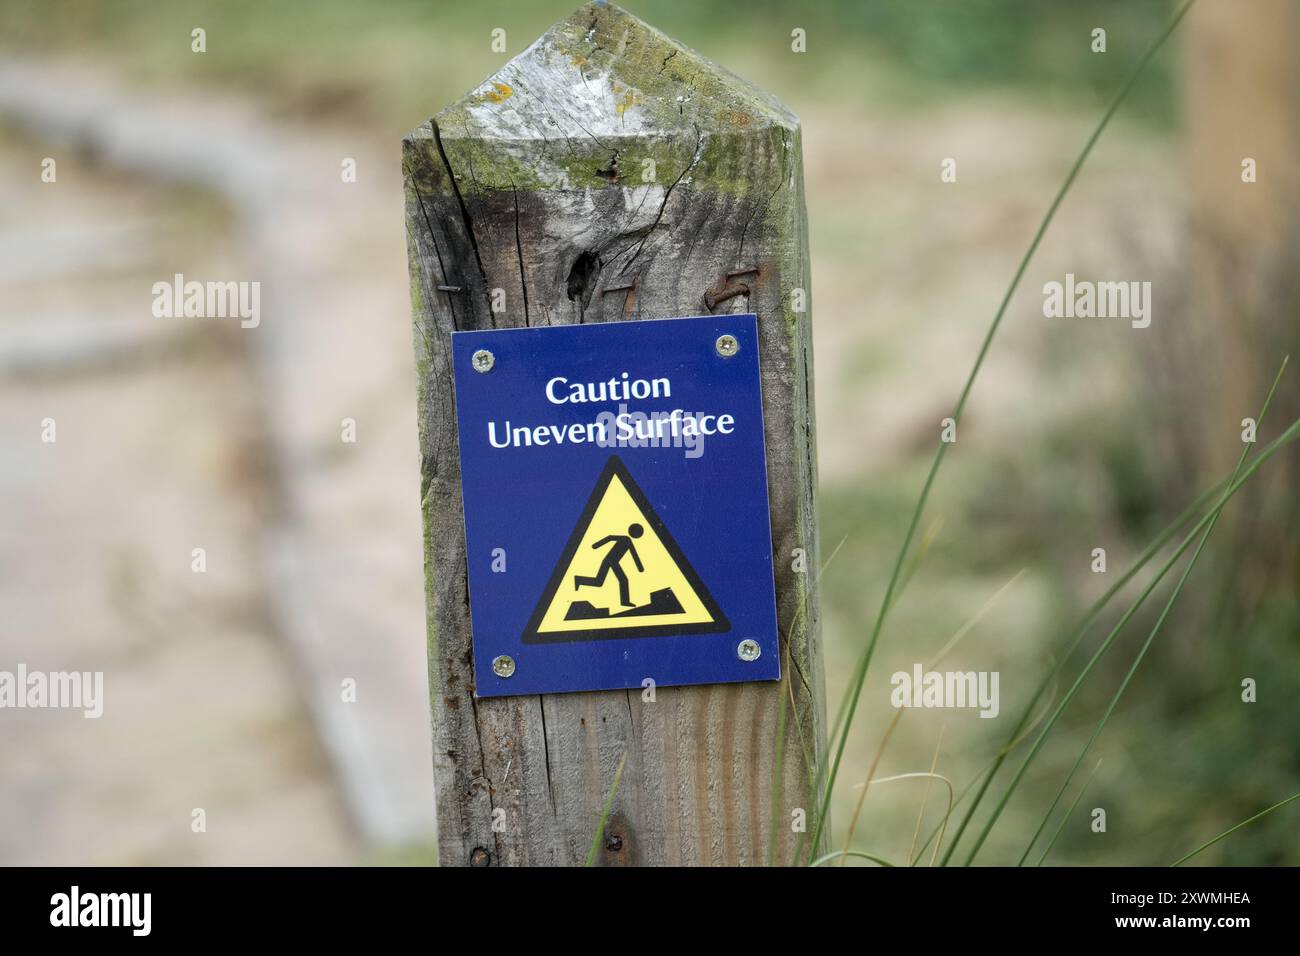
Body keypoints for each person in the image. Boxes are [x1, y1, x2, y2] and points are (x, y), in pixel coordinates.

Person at [574, 523, 645, 607]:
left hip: (609, 561)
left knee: (599, 582)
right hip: (612, 561)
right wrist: (596, 545)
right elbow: (610, 537)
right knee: (623, 580)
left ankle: (579, 580)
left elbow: (634, 554)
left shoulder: (627, 540)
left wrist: (640, 567)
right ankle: (624, 601)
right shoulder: (626, 539)